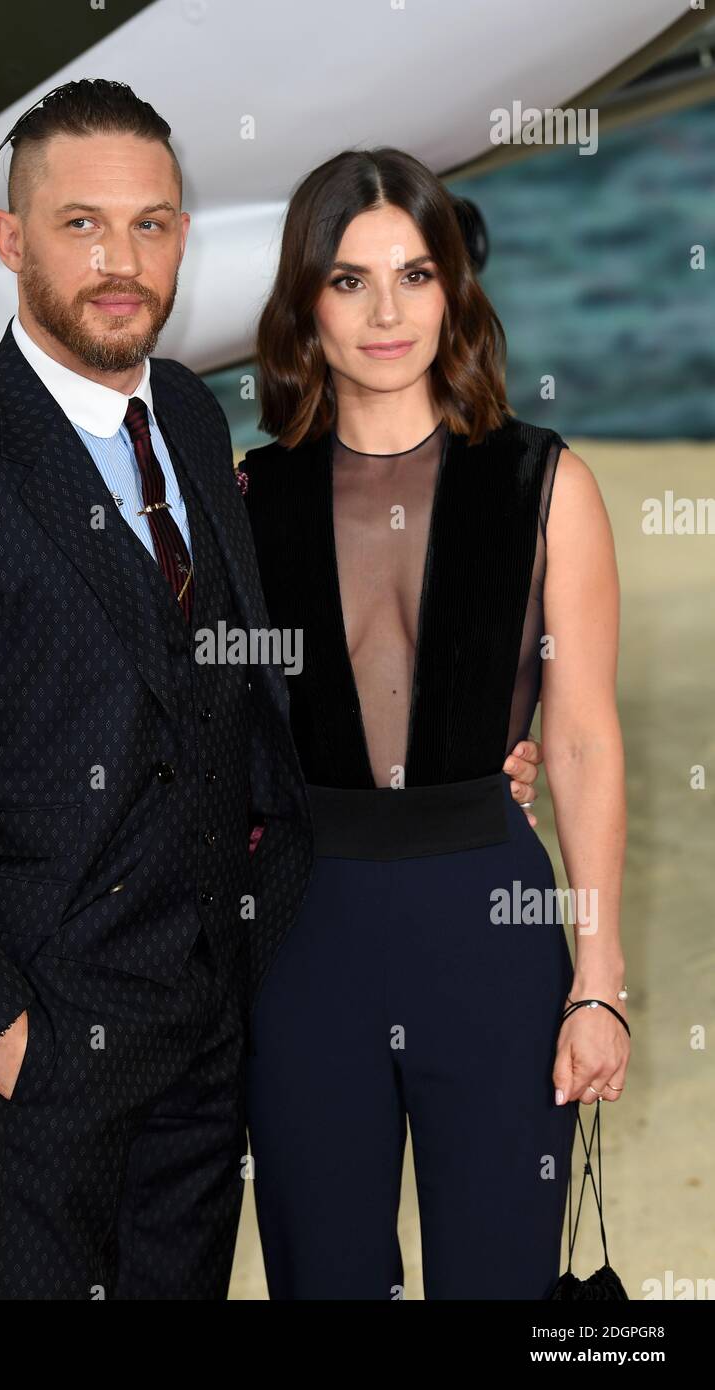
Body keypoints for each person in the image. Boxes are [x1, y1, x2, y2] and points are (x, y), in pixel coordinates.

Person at [0, 77, 543, 1300]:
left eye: (150, 224)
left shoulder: (193, 426)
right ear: (10, 240)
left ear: (182, 238)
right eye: (81, 224)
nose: (121, 262)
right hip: (43, 1051)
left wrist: (454, 767)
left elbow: (238, 689)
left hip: (210, 1045)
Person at [236, 147, 630, 1300]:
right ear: (306, 304)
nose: (386, 313)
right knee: (325, 1281)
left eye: (414, 275)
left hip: (491, 931)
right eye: (349, 280)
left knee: (502, 1286)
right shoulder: (247, 500)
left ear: (453, 289)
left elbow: (582, 741)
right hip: (303, 944)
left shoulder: (546, 486)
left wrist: (598, 977)